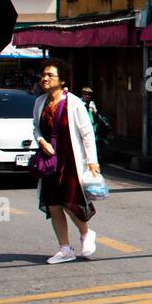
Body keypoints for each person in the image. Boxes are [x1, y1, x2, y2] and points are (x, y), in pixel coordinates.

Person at [32, 59, 102, 264]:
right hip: (49, 162)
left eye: (50, 75)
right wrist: (41, 140)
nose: (45, 78)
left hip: (70, 160)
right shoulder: (39, 102)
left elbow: (87, 133)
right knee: (53, 205)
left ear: (62, 80)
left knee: (70, 203)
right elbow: (36, 127)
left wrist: (92, 162)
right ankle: (65, 248)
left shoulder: (74, 102)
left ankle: (86, 232)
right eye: (43, 75)